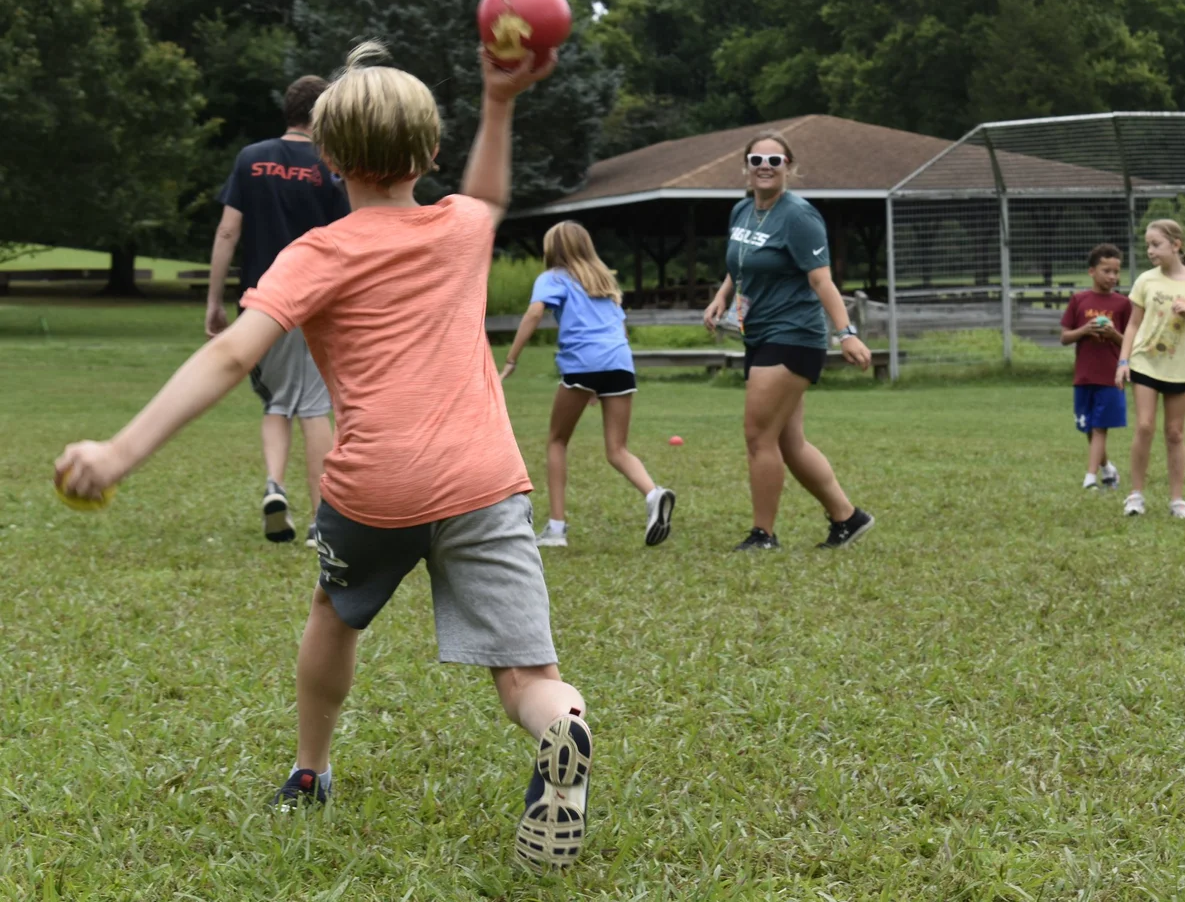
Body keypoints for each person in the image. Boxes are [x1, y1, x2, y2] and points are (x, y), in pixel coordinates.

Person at [54, 43, 594, 872]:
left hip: (375, 488)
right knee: (527, 675)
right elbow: (489, 191)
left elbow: (232, 357)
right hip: (485, 480)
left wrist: (120, 450)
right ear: (429, 156)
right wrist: (499, 99)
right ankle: (560, 726)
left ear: (328, 158)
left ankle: (310, 772)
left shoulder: (315, 255)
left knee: (334, 613)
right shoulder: (462, 226)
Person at [702, 131, 874, 551]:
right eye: (757, 159)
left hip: (794, 335)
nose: (765, 166)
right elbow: (740, 262)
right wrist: (722, 295)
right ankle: (848, 518)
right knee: (788, 441)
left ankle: (763, 534)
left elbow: (821, 280)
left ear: (789, 168)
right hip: (758, 332)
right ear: (745, 166)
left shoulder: (799, 216)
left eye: (774, 161)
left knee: (758, 436)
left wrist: (846, 334)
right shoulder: (742, 211)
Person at [207, 76, 348, 547]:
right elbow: (348, 239)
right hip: (317, 300)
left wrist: (214, 301)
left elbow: (228, 233)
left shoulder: (251, 158)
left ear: (288, 111)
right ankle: (320, 523)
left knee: (276, 402)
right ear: (322, 113)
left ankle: (274, 486)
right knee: (313, 408)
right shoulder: (331, 165)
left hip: (263, 300)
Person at [502, 220, 675, 548]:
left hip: (583, 364)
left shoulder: (552, 278)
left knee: (557, 441)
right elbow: (620, 331)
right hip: (620, 364)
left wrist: (511, 359)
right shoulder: (605, 281)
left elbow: (534, 314)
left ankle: (556, 529)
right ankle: (653, 494)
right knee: (617, 449)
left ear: (553, 249)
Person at [1114, 220, 1185, 519]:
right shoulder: (1146, 281)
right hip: (1145, 361)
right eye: (1147, 245)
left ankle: (1177, 500)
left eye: (1156, 244)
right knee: (1144, 425)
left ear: (1176, 245)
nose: (1150, 250)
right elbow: (1133, 324)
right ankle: (1135, 495)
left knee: (1174, 433)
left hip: (1181, 367)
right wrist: (1123, 362)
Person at [1060, 243, 1131, 490]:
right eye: (1106, 271)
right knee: (1088, 427)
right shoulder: (1079, 300)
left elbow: (1130, 343)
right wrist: (1084, 330)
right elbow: (1064, 337)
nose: (1112, 277)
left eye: (1116, 271)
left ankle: (1090, 479)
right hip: (1084, 376)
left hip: (1111, 377)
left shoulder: (1123, 304)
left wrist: (1113, 335)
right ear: (1092, 272)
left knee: (1100, 428)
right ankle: (1107, 468)